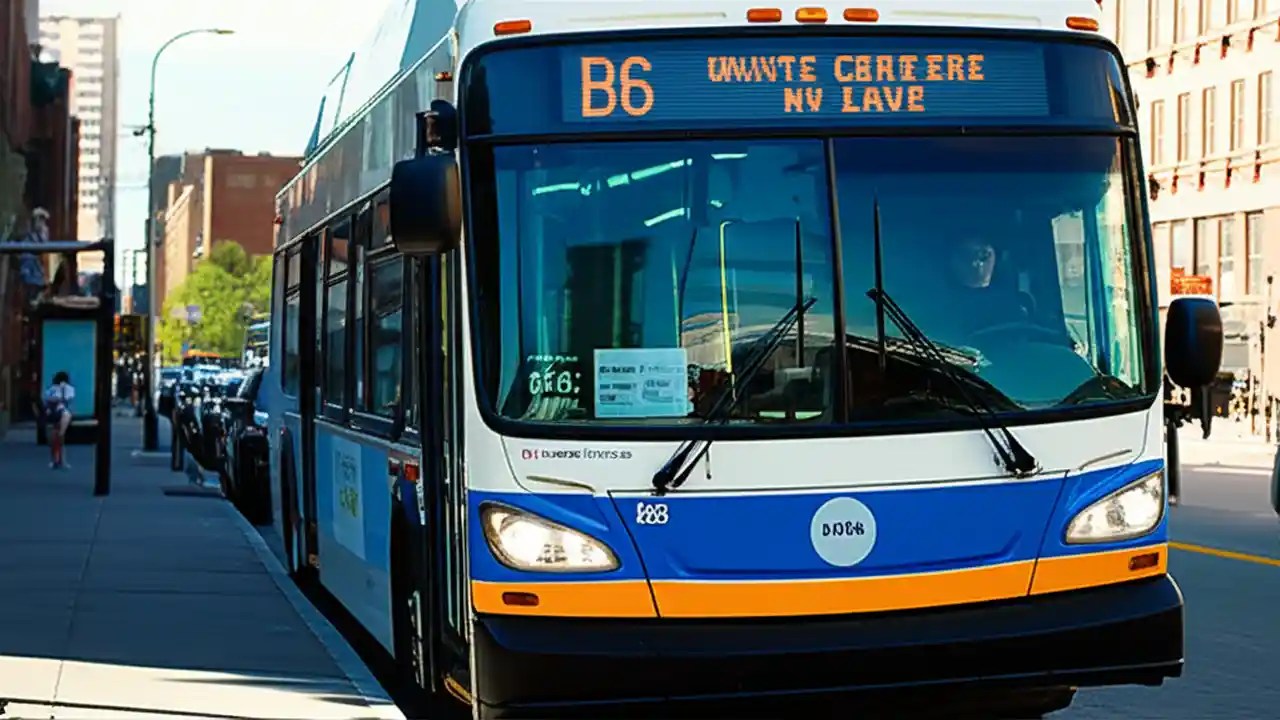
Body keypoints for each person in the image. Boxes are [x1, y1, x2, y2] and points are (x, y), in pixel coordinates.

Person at [944, 235, 1028, 337]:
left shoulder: (1013, 307)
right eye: (966, 256)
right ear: (952, 261)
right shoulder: (945, 309)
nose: (977, 263)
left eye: (984, 255)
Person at [43, 371, 75, 469]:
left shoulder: (69, 389)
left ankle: (60, 459)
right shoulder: (52, 389)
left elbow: (67, 399)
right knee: (54, 439)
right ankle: (56, 460)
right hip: (54, 412)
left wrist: (62, 391)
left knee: (59, 436)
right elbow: (48, 399)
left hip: (63, 411)